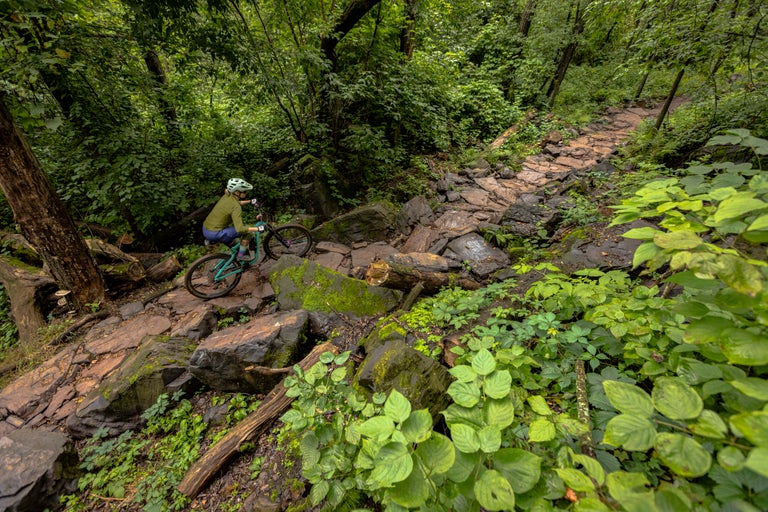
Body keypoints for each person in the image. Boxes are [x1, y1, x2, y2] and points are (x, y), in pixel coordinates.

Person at [202, 178, 261, 260]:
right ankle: (241, 255)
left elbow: (237, 202)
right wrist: (258, 228)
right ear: (237, 192)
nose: (246, 193)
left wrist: (250, 201)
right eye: (244, 191)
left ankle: (235, 251)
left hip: (206, 228)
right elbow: (240, 229)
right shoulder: (236, 207)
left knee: (233, 240)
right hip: (215, 233)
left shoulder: (227, 196)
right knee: (249, 232)